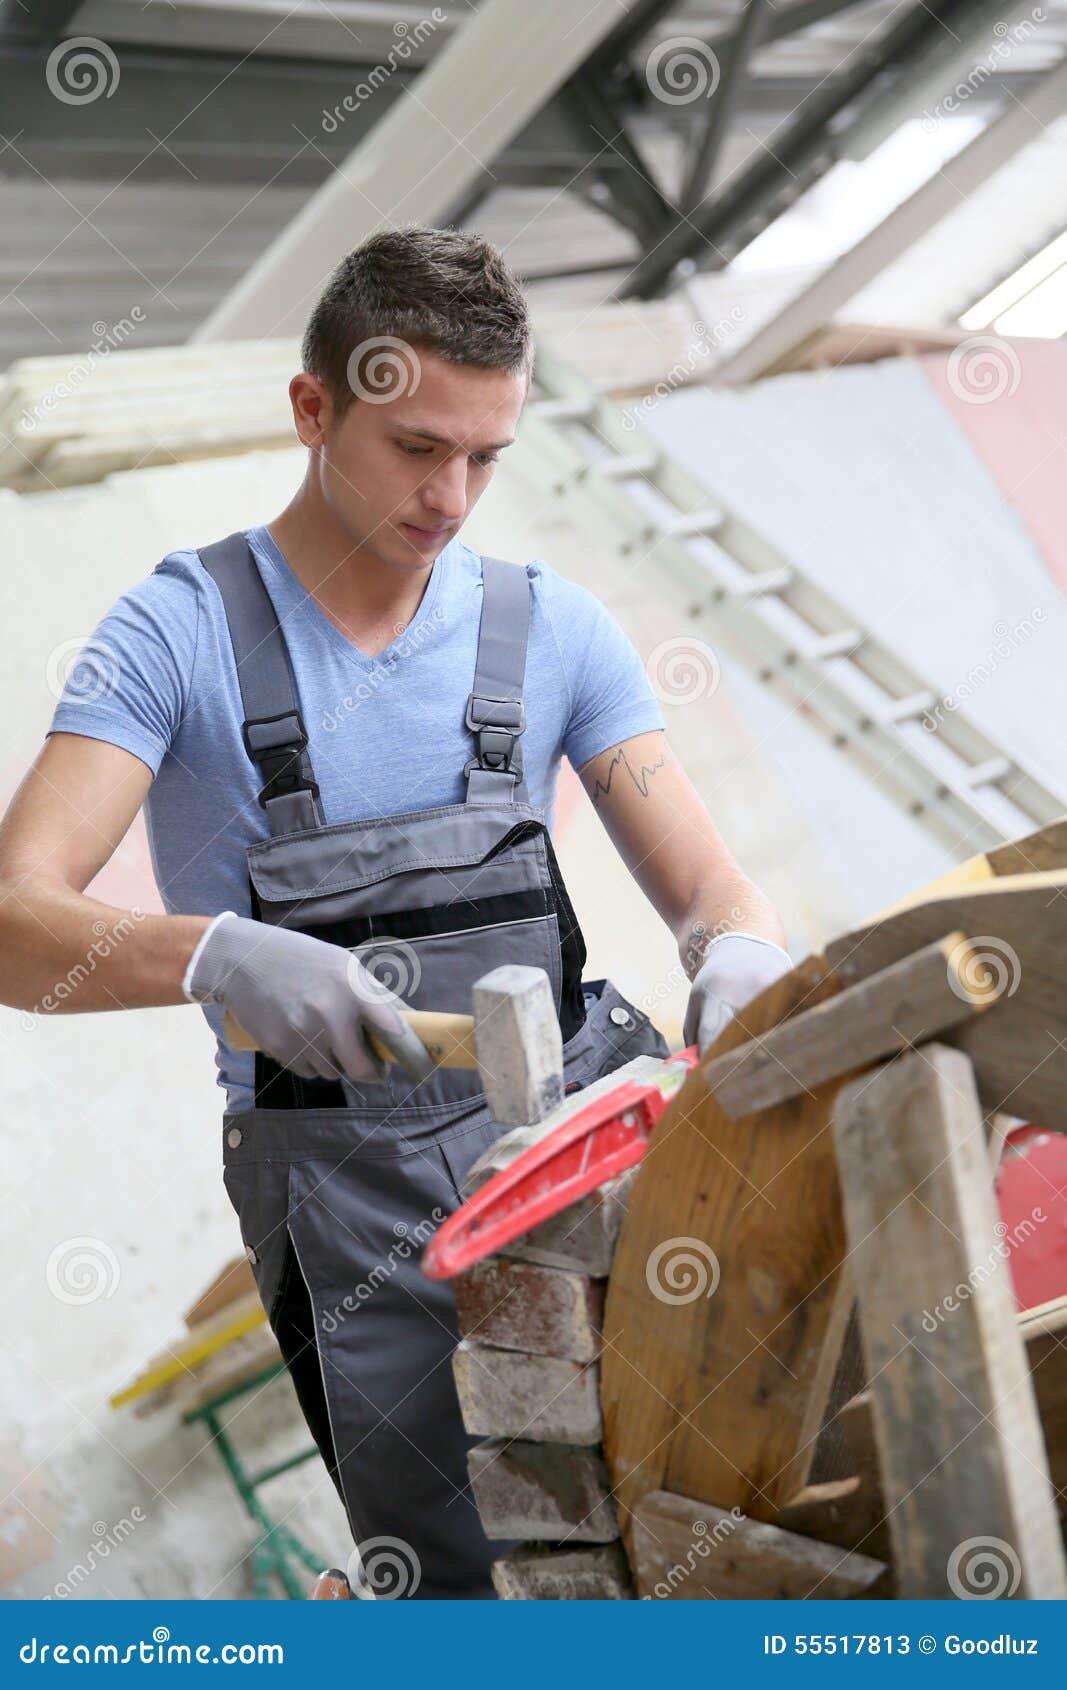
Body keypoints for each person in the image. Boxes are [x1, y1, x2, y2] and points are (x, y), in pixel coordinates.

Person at [0, 227, 790, 1599]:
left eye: (486, 454)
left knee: (735, 1496)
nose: (453, 494)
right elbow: (16, 917)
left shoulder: (555, 629)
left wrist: (740, 954)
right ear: (314, 409)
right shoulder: (175, 634)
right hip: (355, 1206)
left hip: (581, 1132)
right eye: (417, 446)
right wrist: (216, 955)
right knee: (482, 1577)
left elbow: (712, 887)